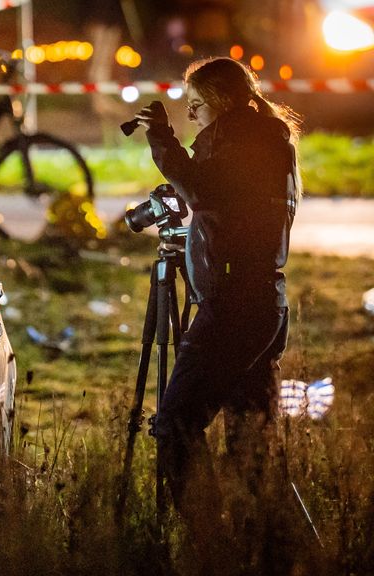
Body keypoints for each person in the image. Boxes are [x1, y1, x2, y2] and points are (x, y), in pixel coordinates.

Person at [133, 57, 301, 514]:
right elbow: (230, 210)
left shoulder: (241, 141)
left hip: (233, 308)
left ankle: (208, 536)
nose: (190, 114)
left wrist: (162, 137)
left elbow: (200, 190)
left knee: (175, 425)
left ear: (223, 101)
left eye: (197, 104)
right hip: (261, 304)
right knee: (251, 439)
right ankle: (260, 535)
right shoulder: (265, 140)